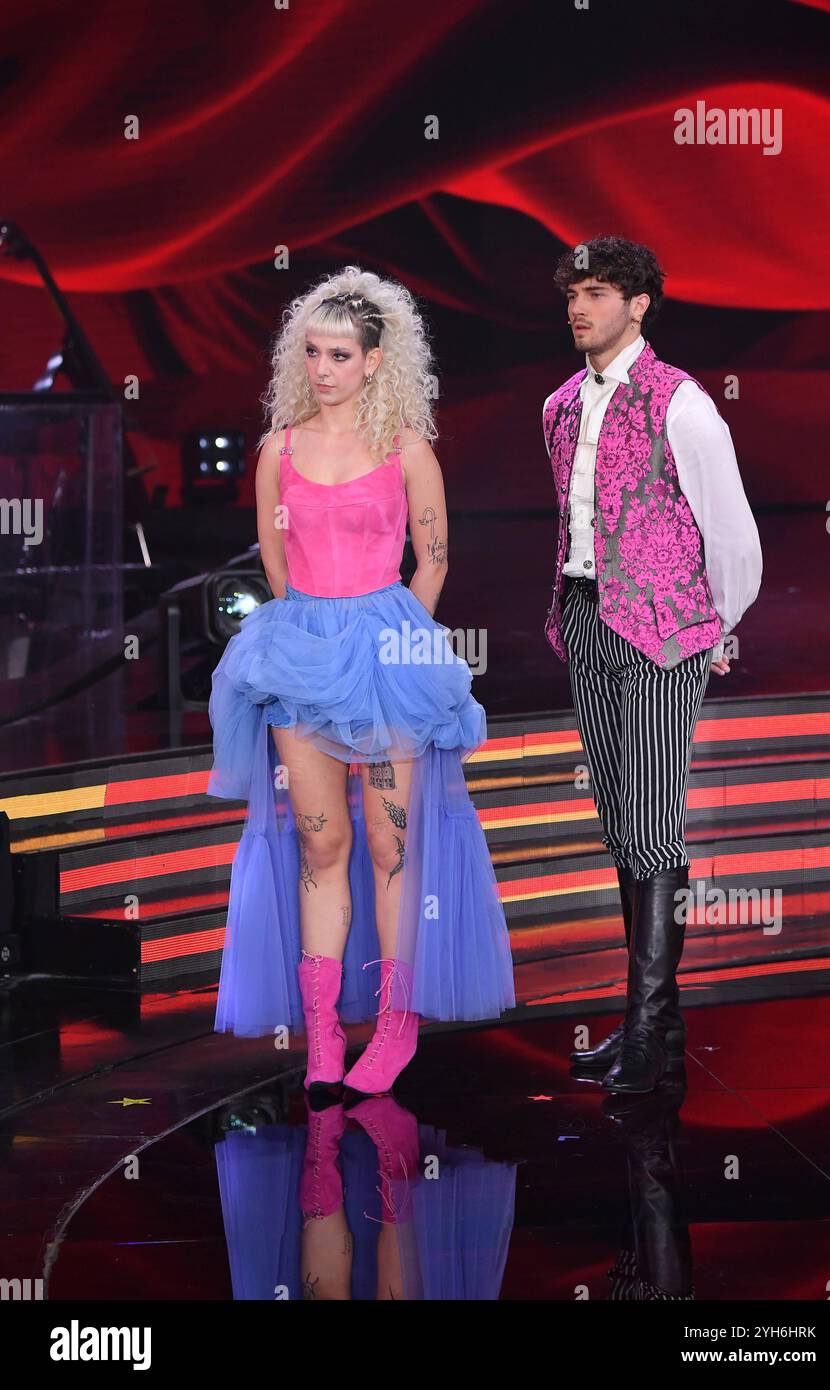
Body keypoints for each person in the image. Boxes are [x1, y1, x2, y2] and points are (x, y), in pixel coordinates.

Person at [207, 266, 515, 1096]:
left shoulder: (407, 448)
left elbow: (435, 557)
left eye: (339, 355)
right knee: (320, 843)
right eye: (311, 353)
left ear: (376, 360)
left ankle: (393, 1027)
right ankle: (319, 1038)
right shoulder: (279, 449)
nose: (322, 369)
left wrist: (393, 642)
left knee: (391, 845)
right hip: (301, 655)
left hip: (391, 659)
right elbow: (276, 566)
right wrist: (318, 640)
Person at [542, 235, 762, 1093]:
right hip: (586, 618)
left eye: (597, 293)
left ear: (638, 306)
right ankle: (652, 1029)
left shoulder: (682, 403)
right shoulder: (560, 404)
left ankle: (647, 1029)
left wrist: (712, 625)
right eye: (573, 293)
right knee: (619, 821)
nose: (579, 307)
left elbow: (732, 529)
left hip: (665, 633)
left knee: (653, 820)